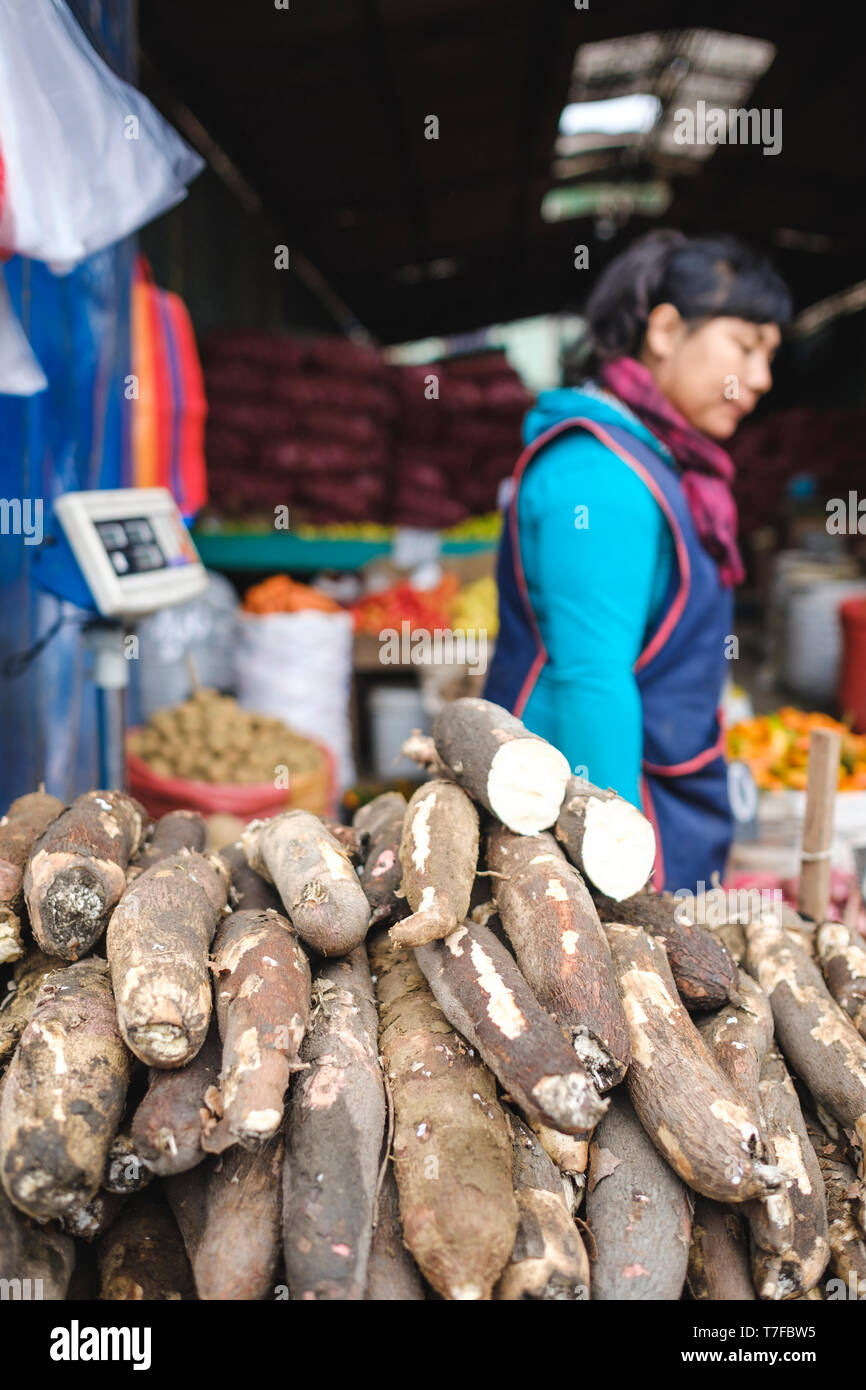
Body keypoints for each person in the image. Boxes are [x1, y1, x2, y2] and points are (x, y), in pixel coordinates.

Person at [484, 229, 793, 892]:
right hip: (579, 816)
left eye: (770, 355)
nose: (762, 379)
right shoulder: (600, 473)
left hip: (662, 790)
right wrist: (618, 879)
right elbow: (592, 678)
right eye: (745, 346)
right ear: (664, 330)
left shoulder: (651, 458)